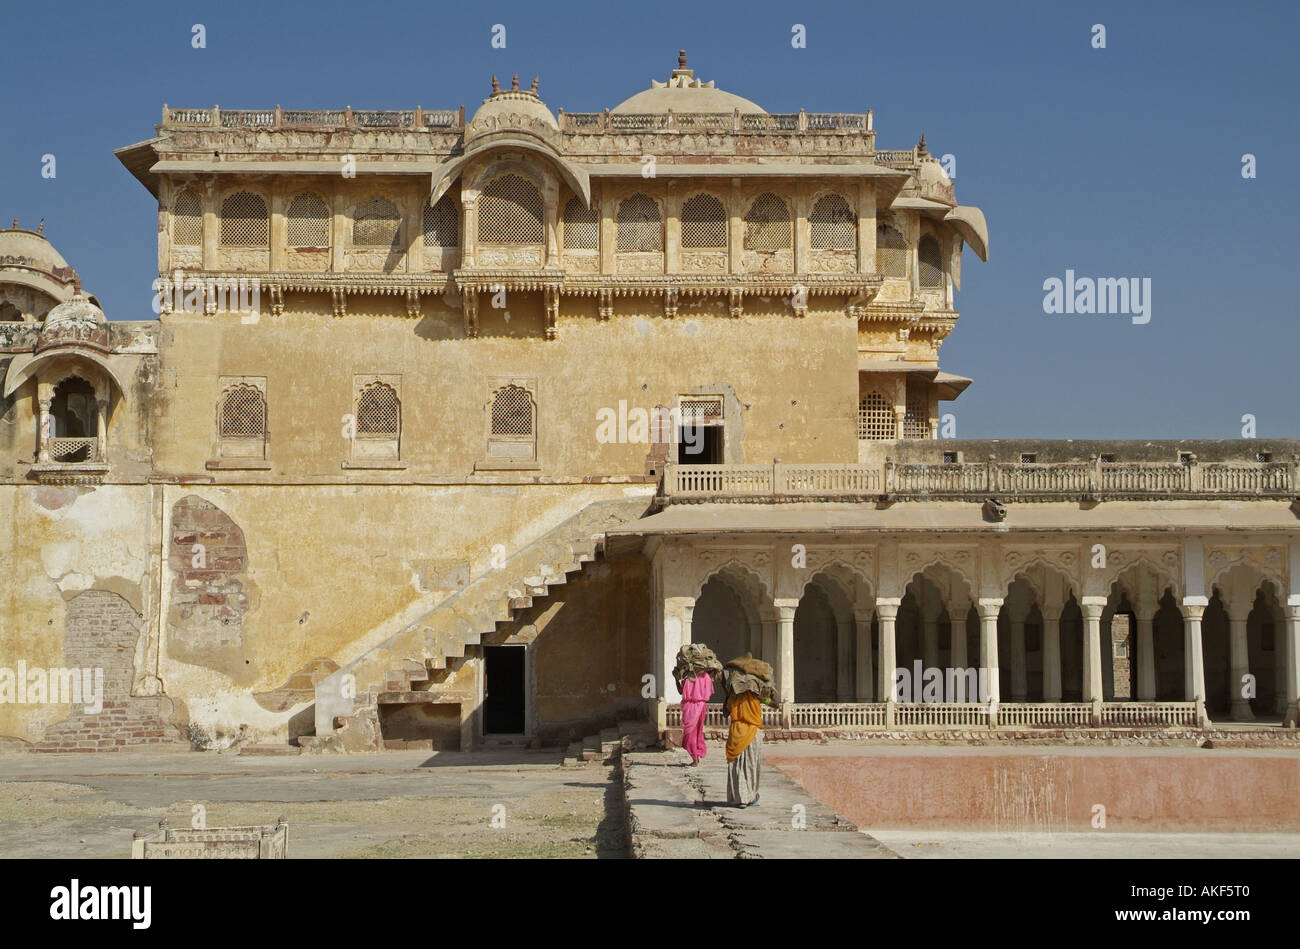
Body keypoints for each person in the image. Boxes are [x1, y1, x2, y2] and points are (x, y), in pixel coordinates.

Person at [724, 682, 764, 807]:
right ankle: (749, 797)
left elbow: (725, 712)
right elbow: (774, 704)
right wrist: (767, 696)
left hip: (736, 733)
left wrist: (728, 695)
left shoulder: (733, 696)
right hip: (752, 733)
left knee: (737, 767)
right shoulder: (756, 696)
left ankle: (740, 797)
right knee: (750, 766)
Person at [679, 667, 715, 765]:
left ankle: (695, 758)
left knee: (690, 733)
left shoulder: (687, 676)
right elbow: (709, 693)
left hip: (690, 706)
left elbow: (680, 691)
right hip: (702, 706)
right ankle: (696, 755)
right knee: (697, 732)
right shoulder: (706, 677)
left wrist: (676, 679)